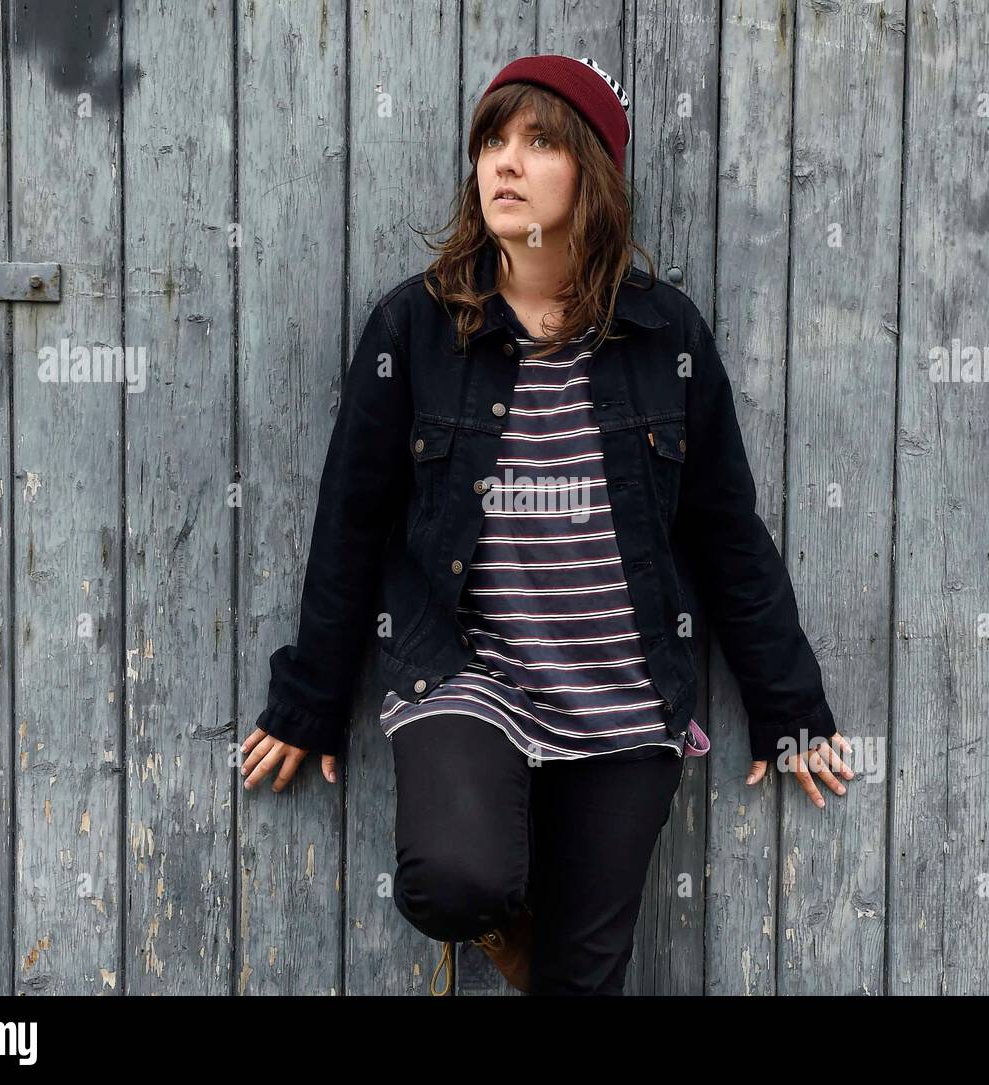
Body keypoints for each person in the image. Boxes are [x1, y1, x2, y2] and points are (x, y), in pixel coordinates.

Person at [239, 54, 852, 996]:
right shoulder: (416, 328)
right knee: (455, 881)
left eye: (538, 142)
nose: (505, 164)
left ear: (593, 174)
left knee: (581, 978)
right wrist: (309, 698)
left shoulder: (665, 338)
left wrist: (792, 711)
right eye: (492, 140)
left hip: (625, 695)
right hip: (467, 672)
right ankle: (510, 925)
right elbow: (351, 518)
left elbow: (728, 531)